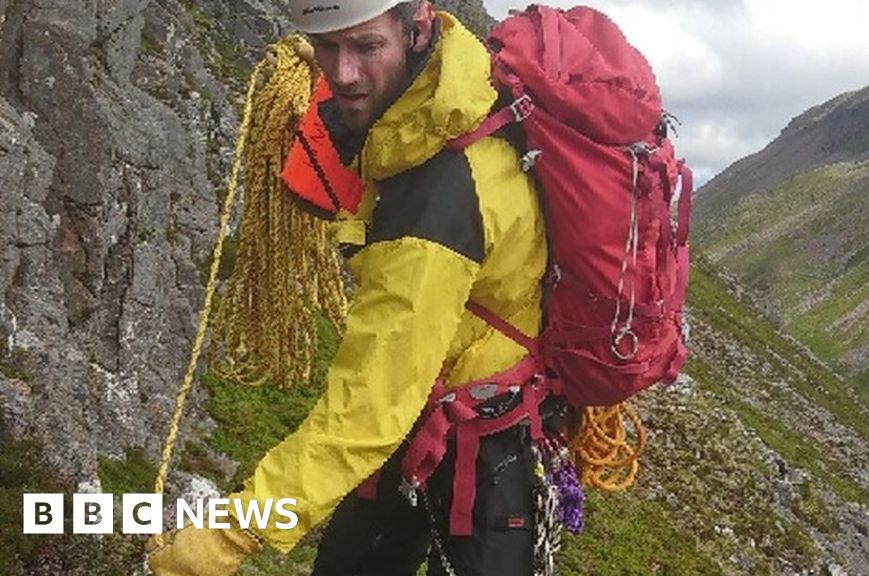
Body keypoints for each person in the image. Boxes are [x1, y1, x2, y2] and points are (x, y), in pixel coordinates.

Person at [147, 1, 560, 574]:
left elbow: (368, 412)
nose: (342, 75)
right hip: (427, 415)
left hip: (480, 450)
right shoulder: (434, 107)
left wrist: (233, 532)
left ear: (416, 31)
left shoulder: (436, 198)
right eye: (329, 48)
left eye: (366, 47)